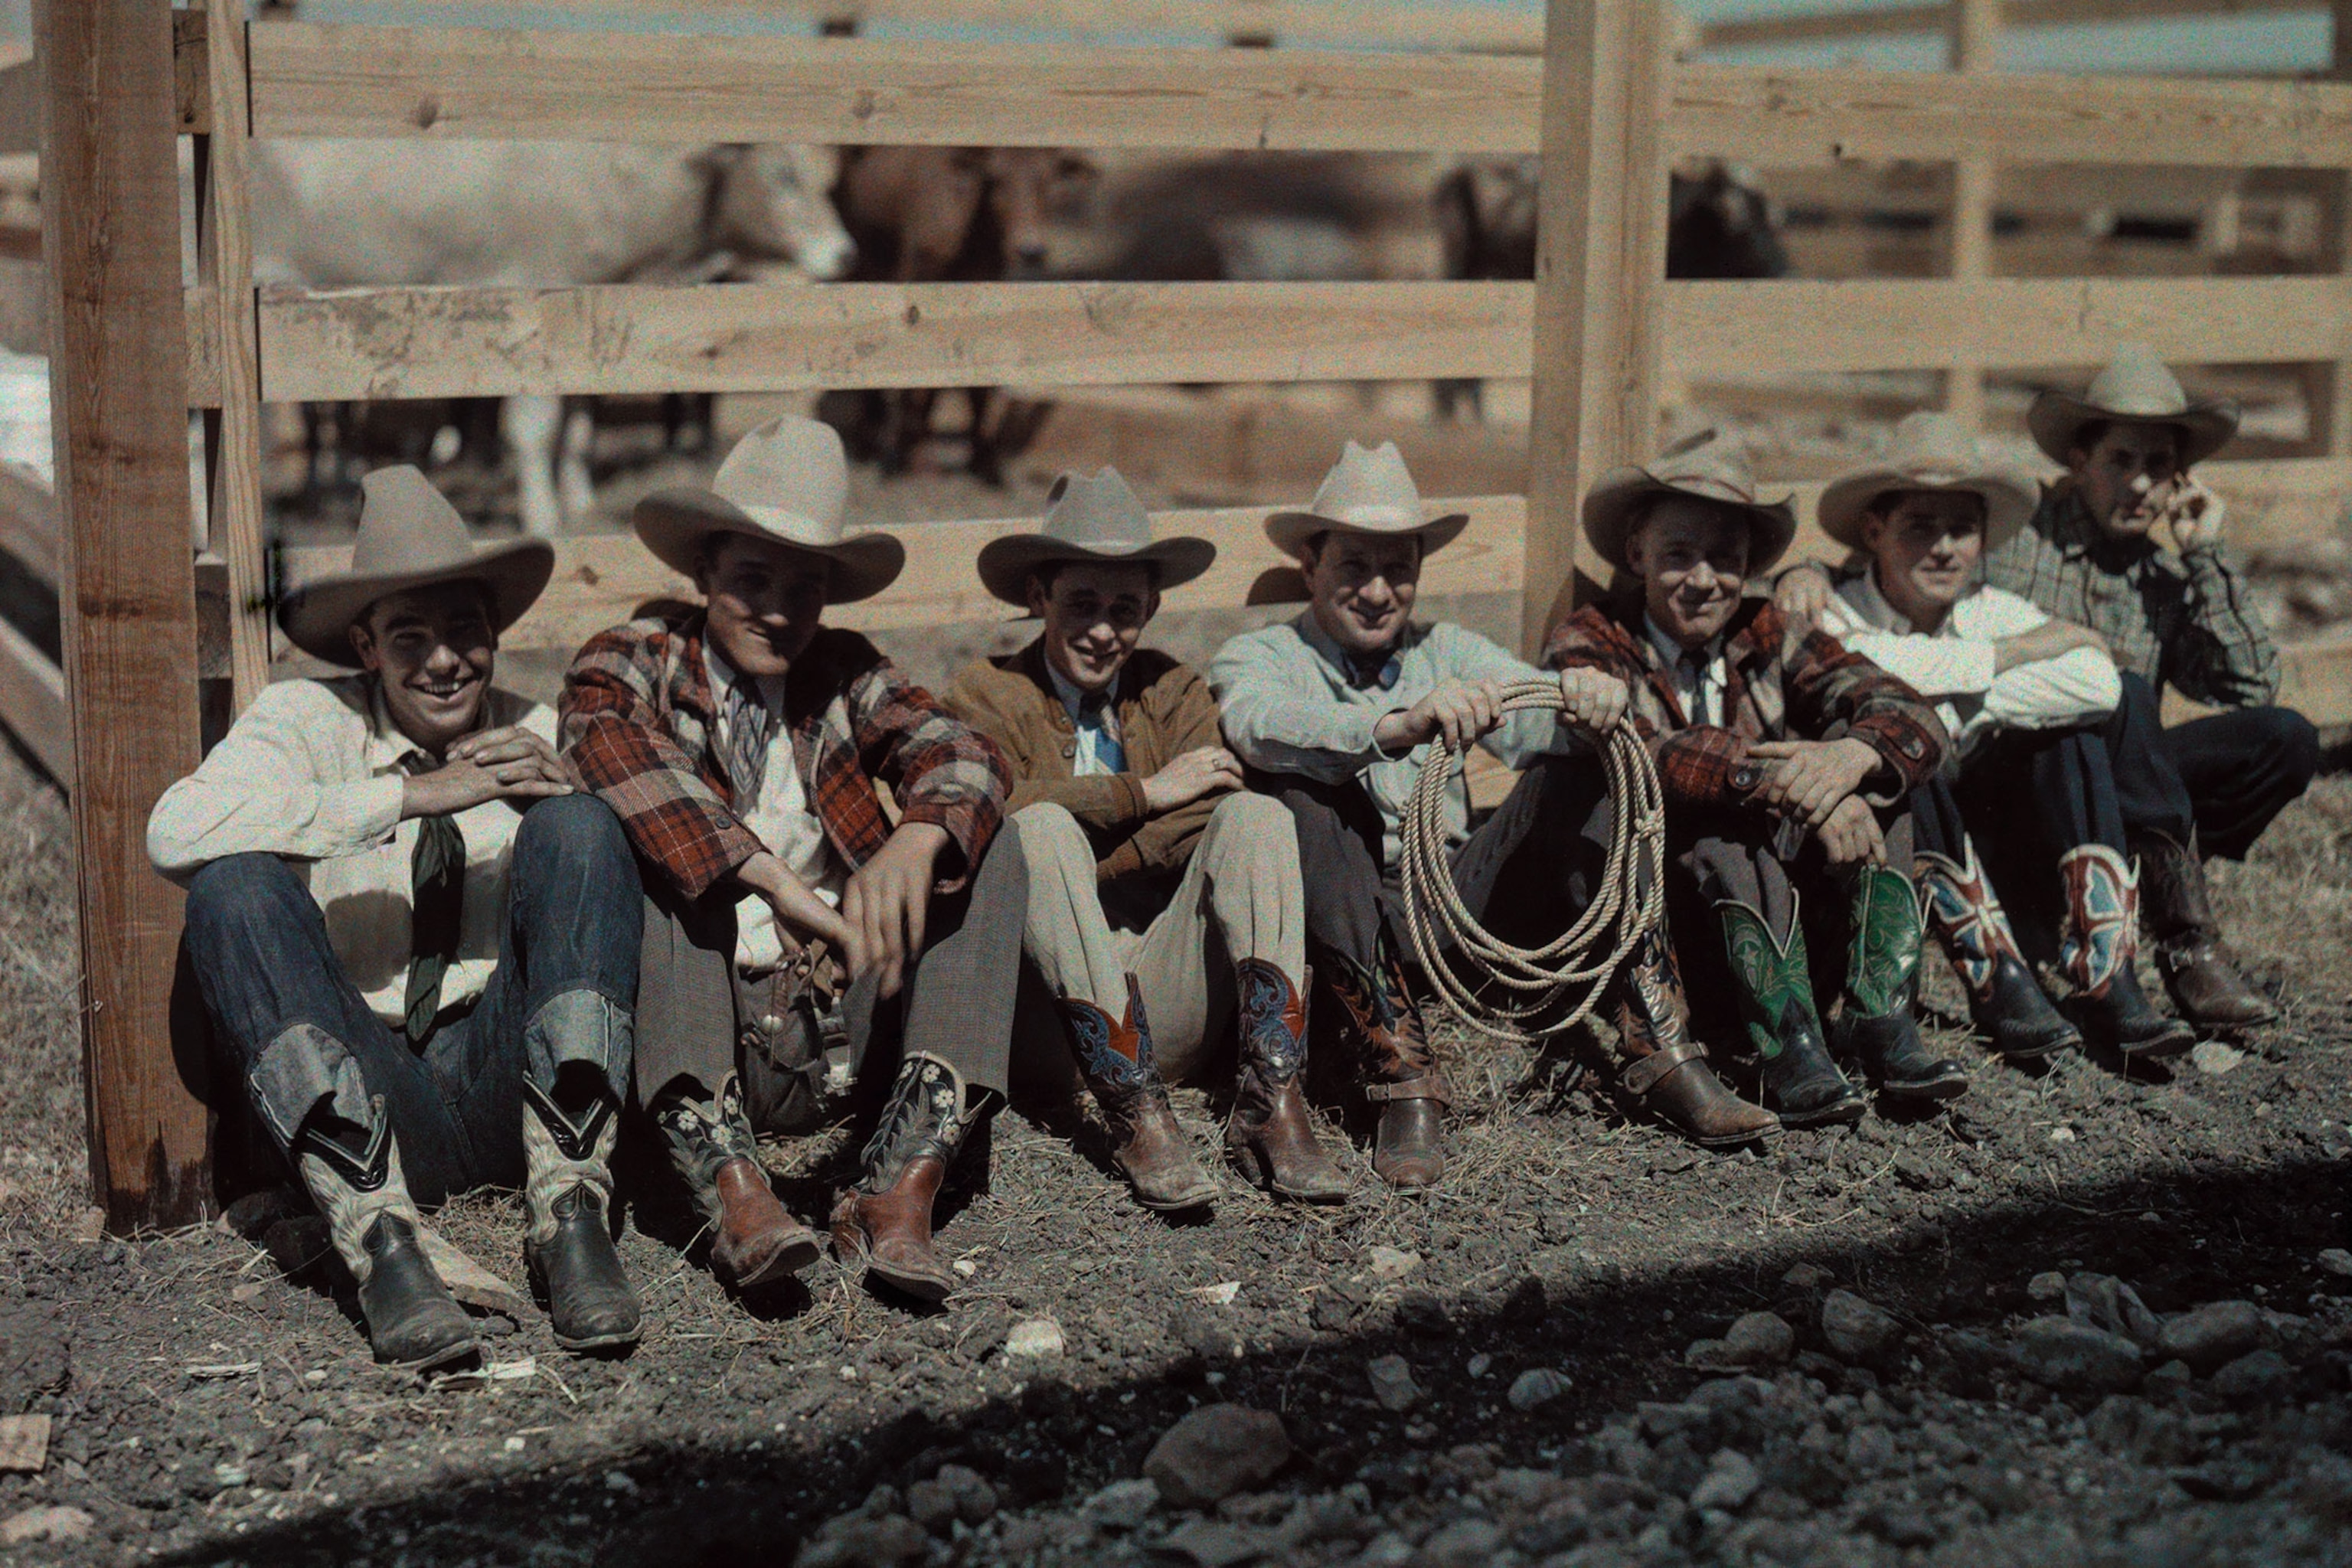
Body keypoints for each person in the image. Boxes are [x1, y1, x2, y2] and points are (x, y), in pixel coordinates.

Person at [150, 466, 642, 1368]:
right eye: (410, 636)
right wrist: (408, 794)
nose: (445, 660)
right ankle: (383, 1243)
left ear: (495, 635)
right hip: (367, 1087)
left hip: (508, 1084)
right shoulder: (304, 716)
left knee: (583, 824)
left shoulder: (531, 727)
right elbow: (175, 828)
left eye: (466, 631)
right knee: (235, 888)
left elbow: (614, 912)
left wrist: (570, 805)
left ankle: (573, 1210)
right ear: (365, 646)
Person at [1214, 441, 1776, 1178]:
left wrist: (1586, 703)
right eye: (1355, 566)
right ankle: (1402, 1081)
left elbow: (1532, 711)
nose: (1379, 591)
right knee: (1305, 797)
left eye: (1399, 568)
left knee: (1587, 763)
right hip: (1341, 914)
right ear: (1310, 568)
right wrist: (1396, 725)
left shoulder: (1449, 648)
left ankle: (1661, 1045)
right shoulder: (1259, 656)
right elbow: (1256, 723)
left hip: (1450, 899)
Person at [560, 416, 1024, 1305]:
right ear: (701, 575)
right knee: (652, 848)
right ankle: (732, 1187)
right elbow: (603, 741)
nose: (776, 609)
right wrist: (772, 877)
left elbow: (965, 750)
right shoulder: (638, 658)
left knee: (989, 840)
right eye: (751, 580)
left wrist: (919, 836)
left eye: (803, 586)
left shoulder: (844, 672)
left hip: (840, 1008)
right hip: (706, 1011)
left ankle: (901, 1183)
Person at [944, 470, 1348, 1209]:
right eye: (1082, 604)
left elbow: (1219, 796)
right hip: (1047, 1018)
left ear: (1152, 607)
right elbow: (987, 807)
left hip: (1168, 990)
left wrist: (1106, 852)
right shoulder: (983, 693)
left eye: (1125, 608)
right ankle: (1138, 1118)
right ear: (1038, 597)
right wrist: (1145, 794)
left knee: (1258, 817)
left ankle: (1272, 1099)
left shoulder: (1172, 688)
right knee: (1037, 829)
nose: (1103, 630)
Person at [1544, 432, 1958, 1129]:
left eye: (1726, 559)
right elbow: (1647, 749)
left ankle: (1880, 1019)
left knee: (1873, 767)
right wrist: (1779, 783)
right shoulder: (1592, 639)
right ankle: (1785, 1042)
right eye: (1678, 555)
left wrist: (1842, 766)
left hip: (1790, 922)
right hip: (1665, 945)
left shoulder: (1767, 630)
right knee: (1710, 805)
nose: (1703, 580)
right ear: (1638, 553)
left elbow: (1909, 711)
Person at [1785, 411, 2191, 1060]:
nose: (1945, 548)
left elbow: (2098, 684)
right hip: (1874, 830)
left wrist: (1937, 703)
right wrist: (2013, 657)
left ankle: (2105, 966)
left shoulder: (1987, 610)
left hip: (1999, 821)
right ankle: (1994, 974)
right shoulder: (1832, 606)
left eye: (1962, 530)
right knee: (1905, 746)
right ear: (1873, 531)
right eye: (1920, 526)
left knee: (2074, 736)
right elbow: (1857, 671)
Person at [1984, 344, 2315, 1027]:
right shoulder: (2014, 539)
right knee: (2121, 688)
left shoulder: (2164, 576)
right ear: (2080, 460)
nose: (2138, 485)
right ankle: (2185, 942)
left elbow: (2250, 684)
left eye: (2157, 466)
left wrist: (2205, 555)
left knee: (2286, 738)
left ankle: (2138, 896)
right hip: (2017, 787)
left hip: (2129, 793)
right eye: (2120, 461)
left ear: (2180, 478)